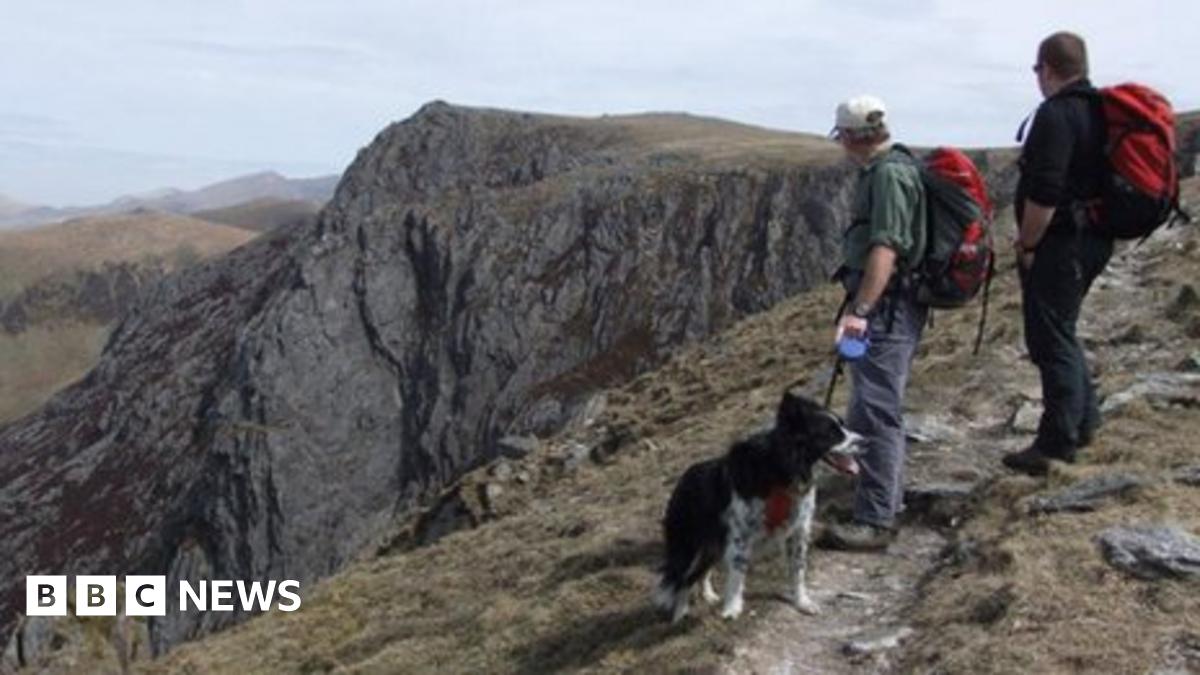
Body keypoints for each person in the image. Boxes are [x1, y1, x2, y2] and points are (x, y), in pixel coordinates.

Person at [1003, 31, 1113, 476]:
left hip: (1063, 241)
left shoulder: (1057, 114)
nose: (1037, 78)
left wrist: (1028, 243)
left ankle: (1055, 442)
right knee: (1062, 330)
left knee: (1049, 338)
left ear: (1047, 68)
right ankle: (1083, 422)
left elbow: (1045, 190)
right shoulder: (1100, 111)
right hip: (1094, 238)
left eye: (1036, 69)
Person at [822, 95, 928, 551]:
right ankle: (877, 501)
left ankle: (876, 521)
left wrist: (860, 313)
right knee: (865, 405)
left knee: (879, 409)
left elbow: (884, 250)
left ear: (849, 135)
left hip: (885, 309)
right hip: (891, 305)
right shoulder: (896, 169)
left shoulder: (887, 176)